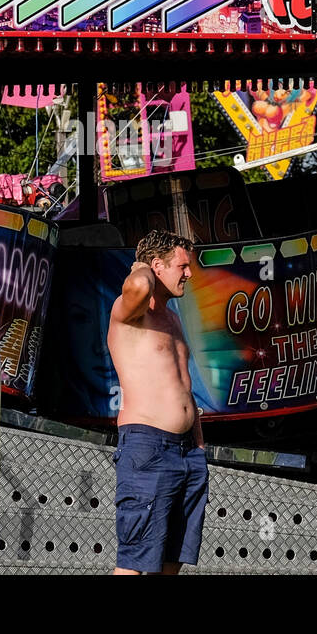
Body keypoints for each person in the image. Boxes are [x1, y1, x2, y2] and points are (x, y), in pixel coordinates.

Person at [107, 228, 207, 575]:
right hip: (148, 447)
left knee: (171, 561)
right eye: (181, 266)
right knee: (134, 562)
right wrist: (141, 265)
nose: (189, 274)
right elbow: (138, 287)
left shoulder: (173, 319)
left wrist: (198, 446)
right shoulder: (130, 314)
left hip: (186, 453)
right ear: (156, 267)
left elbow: (183, 383)